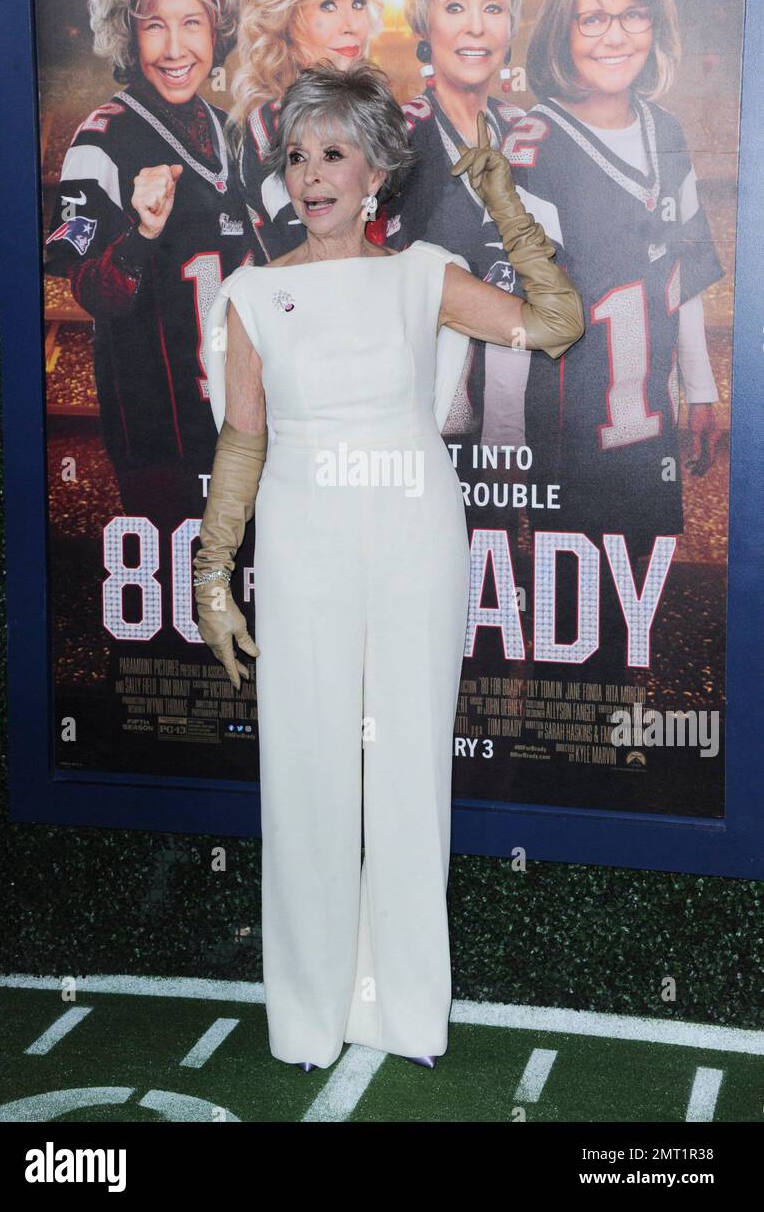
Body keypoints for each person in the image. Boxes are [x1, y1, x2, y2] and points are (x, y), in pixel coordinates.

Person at [194, 62, 584, 1071]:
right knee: (306, 774)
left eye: (332, 152)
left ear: (376, 171)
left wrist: (503, 201)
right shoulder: (254, 291)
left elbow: (554, 324)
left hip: (414, 536)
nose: (310, 174)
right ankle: (310, 1014)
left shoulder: (423, 274)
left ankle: (403, 1007)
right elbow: (243, 437)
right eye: (295, 154)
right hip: (302, 538)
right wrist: (212, 571)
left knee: (410, 772)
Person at [510, 0, 723, 557]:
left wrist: (702, 390)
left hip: (649, 428)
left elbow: (682, 279)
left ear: (655, 22)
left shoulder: (668, 131)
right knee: (575, 633)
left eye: (633, 13)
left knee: (636, 628)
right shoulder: (535, 144)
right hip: (569, 438)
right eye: (593, 17)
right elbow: (513, 325)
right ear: (563, 32)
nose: (614, 35)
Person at [44, 0, 249, 525]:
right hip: (157, 434)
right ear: (127, 36)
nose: (176, 47)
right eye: (154, 26)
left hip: (241, 420)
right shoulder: (99, 139)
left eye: (192, 23)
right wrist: (141, 237)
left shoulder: (232, 131)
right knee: (180, 604)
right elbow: (85, 289)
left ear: (217, 29)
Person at [386, 0, 531, 446]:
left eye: (492, 7)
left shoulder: (532, 136)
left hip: (521, 438)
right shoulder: (392, 138)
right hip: (418, 435)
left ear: (511, 26)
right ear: (424, 24)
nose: (475, 26)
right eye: (454, 7)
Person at [226, 0, 384, 263]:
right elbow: (323, 255)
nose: (351, 23)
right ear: (286, 19)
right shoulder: (269, 127)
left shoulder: (374, 118)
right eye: (328, 5)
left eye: (358, 3)